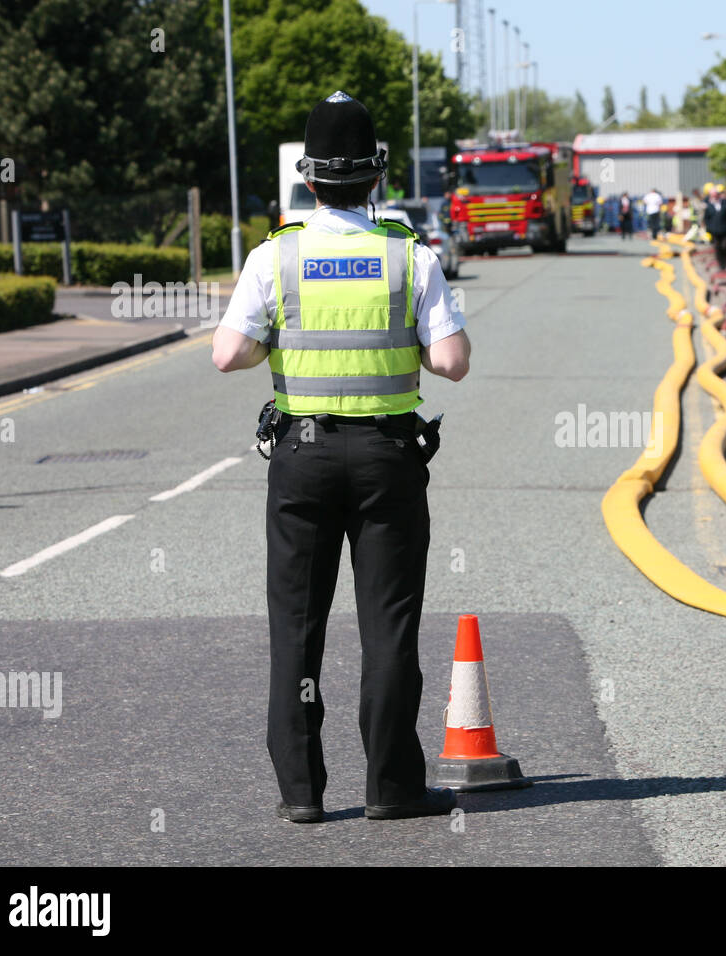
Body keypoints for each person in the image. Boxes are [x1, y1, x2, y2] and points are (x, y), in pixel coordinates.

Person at [211, 91, 471, 824]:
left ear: (309, 178)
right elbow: (451, 363)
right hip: (387, 458)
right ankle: (392, 787)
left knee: (296, 626)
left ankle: (301, 792)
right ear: (377, 177)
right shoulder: (407, 255)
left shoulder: (276, 254)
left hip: (302, 454)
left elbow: (227, 354)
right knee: (389, 626)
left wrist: (277, 342)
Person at [703, 183, 726, 270]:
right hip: (714, 231)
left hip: (725, 229)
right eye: (713, 195)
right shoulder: (709, 206)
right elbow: (706, 218)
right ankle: (722, 264)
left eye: (716, 195)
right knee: (717, 248)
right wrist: (708, 229)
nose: (715, 197)